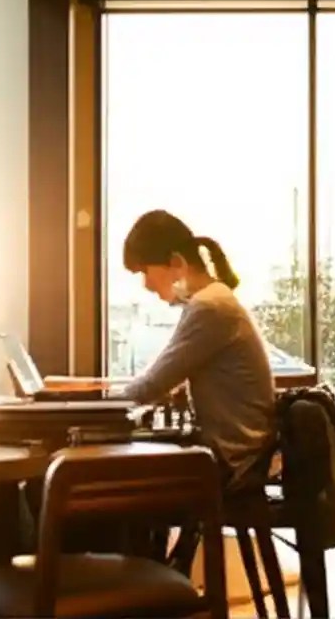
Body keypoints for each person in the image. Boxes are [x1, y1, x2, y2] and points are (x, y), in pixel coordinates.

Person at [118, 209, 276, 491]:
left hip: (230, 462)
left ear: (175, 262)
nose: (145, 284)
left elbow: (153, 384)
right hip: (240, 454)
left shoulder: (209, 307)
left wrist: (92, 406)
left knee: (103, 473)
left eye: (145, 271)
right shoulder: (215, 301)